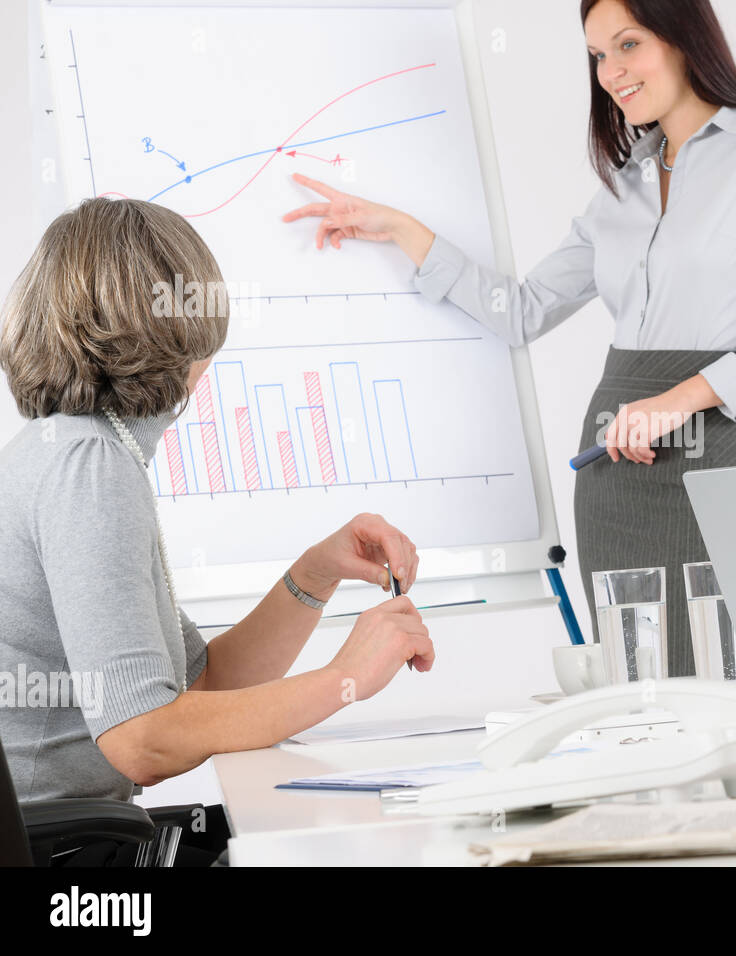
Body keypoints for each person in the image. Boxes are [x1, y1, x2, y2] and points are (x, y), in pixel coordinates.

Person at [280, 0, 736, 675]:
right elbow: (521, 311)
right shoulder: (624, 184)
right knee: (640, 700)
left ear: (682, 35)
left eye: (628, 45)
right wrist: (404, 230)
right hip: (614, 479)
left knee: (735, 683)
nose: (611, 72)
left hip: (720, 460)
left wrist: (682, 399)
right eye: (597, 56)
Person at [0, 197, 435, 862]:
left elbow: (201, 689)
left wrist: (313, 575)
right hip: (63, 854)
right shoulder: (88, 470)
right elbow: (143, 739)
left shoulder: (76, 450)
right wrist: (344, 677)